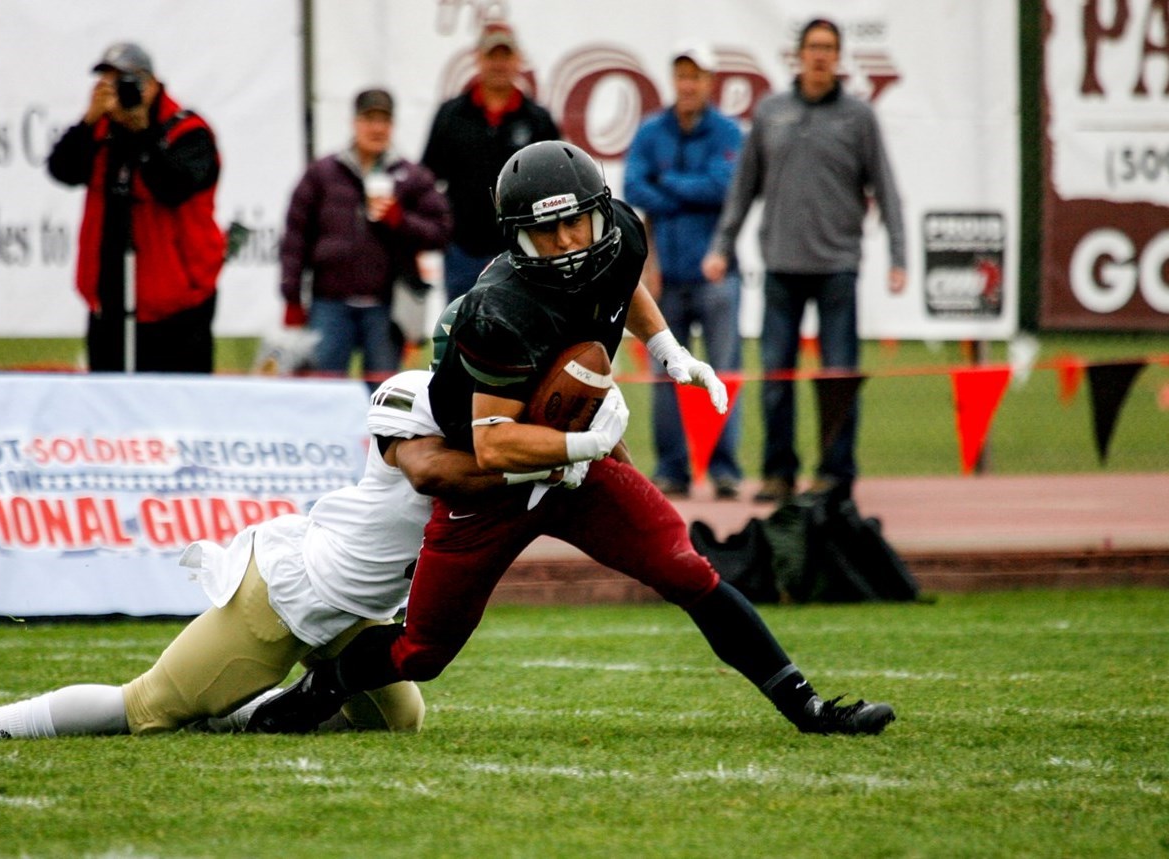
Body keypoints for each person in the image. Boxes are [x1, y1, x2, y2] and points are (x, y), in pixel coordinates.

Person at [243, 140, 896, 738]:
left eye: (574, 221)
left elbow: (624, 285)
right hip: (488, 484)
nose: (565, 241)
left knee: (686, 568)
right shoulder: (499, 307)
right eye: (545, 229)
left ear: (599, 212)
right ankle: (324, 683)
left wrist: (668, 350)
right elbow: (495, 444)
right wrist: (585, 446)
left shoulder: (622, 236)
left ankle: (806, 706)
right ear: (517, 237)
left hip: (574, 464)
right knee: (424, 650)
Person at [0, 358, 565, 741]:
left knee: (399, 723)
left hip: (353, 613)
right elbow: (433, 473)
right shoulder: (414, 400)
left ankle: (245, 708)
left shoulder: (495, 421)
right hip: (288, 593)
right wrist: (550, 458)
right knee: (147, 706)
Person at [702, 18, 907, 503]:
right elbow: (743, 188)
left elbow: (887, 188)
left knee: (837, 377)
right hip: (780, 267)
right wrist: (721, 246)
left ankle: (835, 476)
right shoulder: (771, 112)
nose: (820, 56)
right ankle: (778, 474)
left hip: (838, 266)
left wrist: (899, 255)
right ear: (799, 55)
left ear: (838, 58)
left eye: (828, 48)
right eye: (813, 47)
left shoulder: (858, 117)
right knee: (776, 376)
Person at [47, 42, 224, 374]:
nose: (119, 91)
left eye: (126, 81)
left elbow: (172, 188)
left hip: (177, 306)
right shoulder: (101, 131)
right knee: (110, 411)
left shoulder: (188, 133)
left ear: (152, 84)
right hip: (110, 297)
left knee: (177, 410)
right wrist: (88, 122)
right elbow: (63, 170)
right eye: (109, 82)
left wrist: (142, 131)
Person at [624, 43, 746, 500]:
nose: (688, 84)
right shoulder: (652, 131)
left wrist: (667, 186)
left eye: (697, 76)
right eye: (682, 75)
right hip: (665, 277)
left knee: (724, 372)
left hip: (717, 275)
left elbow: (724, 188)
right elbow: (633, 186)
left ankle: (724, 468)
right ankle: (672, 469)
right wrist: (686, 193)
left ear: (710, 82)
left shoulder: (729, 132)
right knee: (667, 376)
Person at [281, 89, 452, 379]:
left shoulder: (411, 176)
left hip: (387, 307)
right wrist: (292, 298)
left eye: (384, 120)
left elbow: (441, 231)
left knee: (383, 394)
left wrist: (401, 221)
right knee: (324, 392)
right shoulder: (323, 173)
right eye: (369, 119)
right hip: (330, 302)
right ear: (354, 122)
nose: (376, 128)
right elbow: (295, 238)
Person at [422, 20, 561, 303]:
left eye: (505, 56)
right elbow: (427, 177)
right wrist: (443, 226)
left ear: (518, 60)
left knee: (520, 337)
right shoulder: (451, 115)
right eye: (491, 56)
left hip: (522, 251)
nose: (499, 64)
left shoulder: (537, 120)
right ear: (478, 58)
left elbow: (557, 183)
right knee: (461, 334)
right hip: (463, 249)